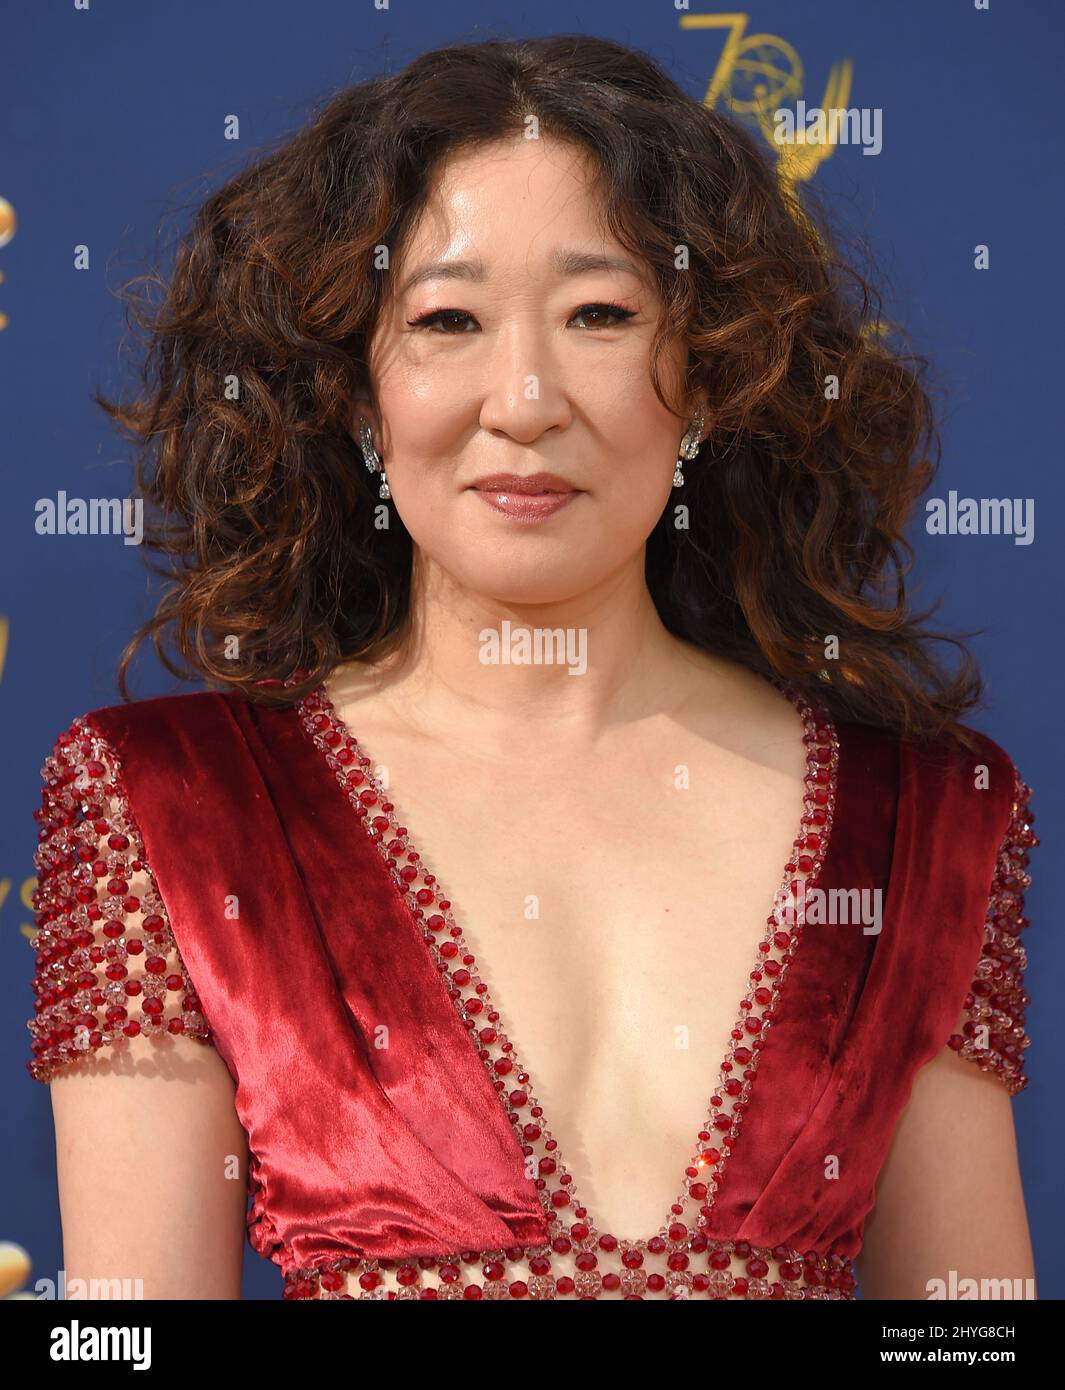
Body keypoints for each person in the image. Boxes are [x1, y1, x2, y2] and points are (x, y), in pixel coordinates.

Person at [26, 35, 1037, 1301]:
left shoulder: (923, 821)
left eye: (599, 315)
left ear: (708, 377)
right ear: (355, 394)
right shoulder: (167, 806)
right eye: (446, 321)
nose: (524, 399)